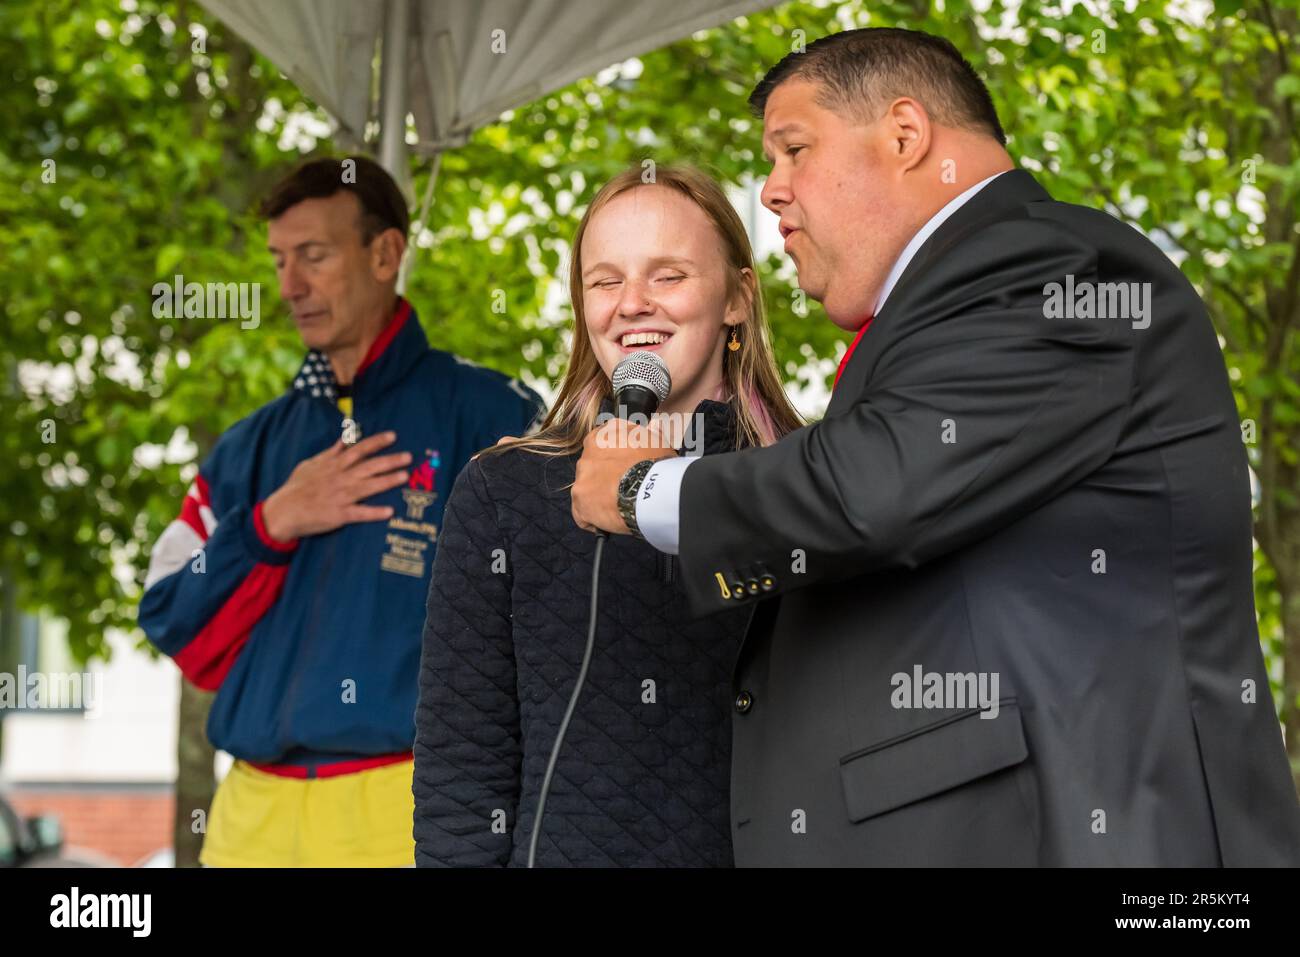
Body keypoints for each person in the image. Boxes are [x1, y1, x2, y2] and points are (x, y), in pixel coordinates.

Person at [570, 28, 1300, 866]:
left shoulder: (1051, 262)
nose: (771, 192)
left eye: (794, 149)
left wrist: (644, 490)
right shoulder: (943, 313)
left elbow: (873, 488)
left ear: (906, 135)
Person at [139, 155, 544, 867]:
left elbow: (555, 626)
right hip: (248, 813)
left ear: (386, 253)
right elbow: (174, 618)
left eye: (315, 256)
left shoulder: (493, 415)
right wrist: (269, 526)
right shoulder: (251, 446)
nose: (291, 285)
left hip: (407, 802)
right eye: (279, 260)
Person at [412, 165, 803, 866]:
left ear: (738, 297)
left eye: (668, 275)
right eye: (604, 280)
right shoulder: (504, 492)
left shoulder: (806, 485)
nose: (631, 304)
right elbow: (462, 768)